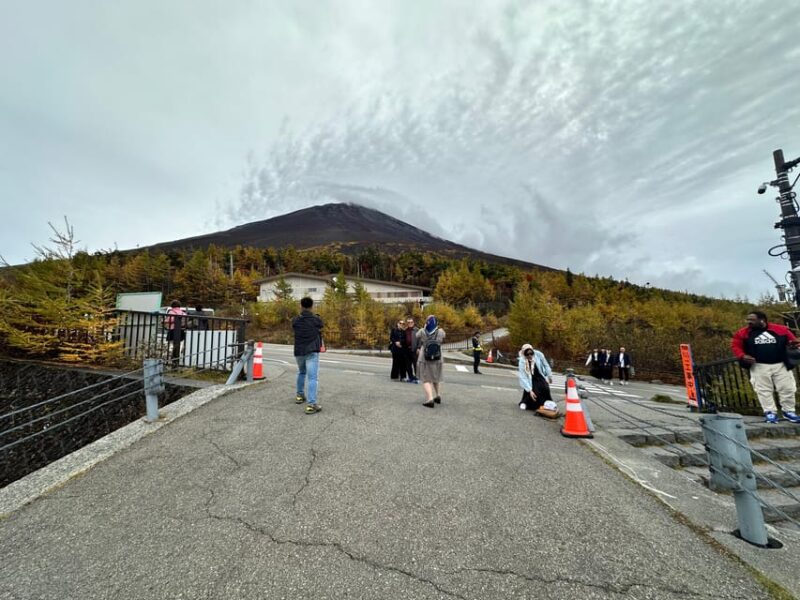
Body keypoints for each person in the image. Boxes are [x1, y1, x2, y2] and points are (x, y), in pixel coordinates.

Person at [731, 311, 800, 423]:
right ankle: (770, 412)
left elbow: (793, 341)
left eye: (752, 320)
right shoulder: (743, 333)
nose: (749, 322)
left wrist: (794, 344)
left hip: (780, 364)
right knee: (763, 390)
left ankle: (789, 411)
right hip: (758, 365)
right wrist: (742, 356)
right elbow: (736, 345)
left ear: (762, 320)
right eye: (748, 320)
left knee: (787, 388)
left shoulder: (780, 330)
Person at [292, 297, 324, 415]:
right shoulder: (316, 319)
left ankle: (300, 396)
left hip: (299, 352)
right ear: (312, 306)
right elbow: (321, 325)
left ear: (300, 305)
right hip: (311, 351)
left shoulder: (295, 320)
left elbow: (294, 324)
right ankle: (311, 405)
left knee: (301, 372)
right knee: (312, 378)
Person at [417, 315, 446, 408]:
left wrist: (424, 327)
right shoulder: (441, 331)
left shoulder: (422, 331)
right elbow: (444, 336)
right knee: (436, 377)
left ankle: (430, 399)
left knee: (426, 379)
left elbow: (416, 335)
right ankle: (438, 395)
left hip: (425, 358)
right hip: (438, 358)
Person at [517, 343, 553, 411]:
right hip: (529, 377)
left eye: (531, 353)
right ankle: (525, 403)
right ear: (524, 354)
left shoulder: (539, 354)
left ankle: (546, 404)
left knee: (545, 388)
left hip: (539, 375)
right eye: (527, 354)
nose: (529, 355)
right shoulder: (522, 361)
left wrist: (549, 376)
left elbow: (546, 365)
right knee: (534, 390)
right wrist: (530, 390)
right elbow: (523, 377)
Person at [404, 317, 420, 383]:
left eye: (411, 322)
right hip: (407, 350)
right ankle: (410, 377)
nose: (410, 323)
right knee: (408, 365)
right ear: (407, 323)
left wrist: (419, 348)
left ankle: (417, 378)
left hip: (414, 350)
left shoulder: (417, 330)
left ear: (413, 323)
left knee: (416, 364)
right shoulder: (405, 330)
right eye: (408, 322)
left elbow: (420, 340)